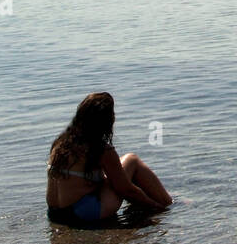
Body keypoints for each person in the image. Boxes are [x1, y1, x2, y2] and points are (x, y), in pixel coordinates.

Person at [46, 92, 171, 226]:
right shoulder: (100, 149)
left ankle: (159, 198)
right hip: (82, 214)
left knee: (117, 173)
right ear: (106, 120)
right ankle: (168, 202)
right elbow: (125, 189)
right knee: (131, 160)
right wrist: (156, 207)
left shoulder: (61, 143)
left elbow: (80, 182)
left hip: (55, 214)